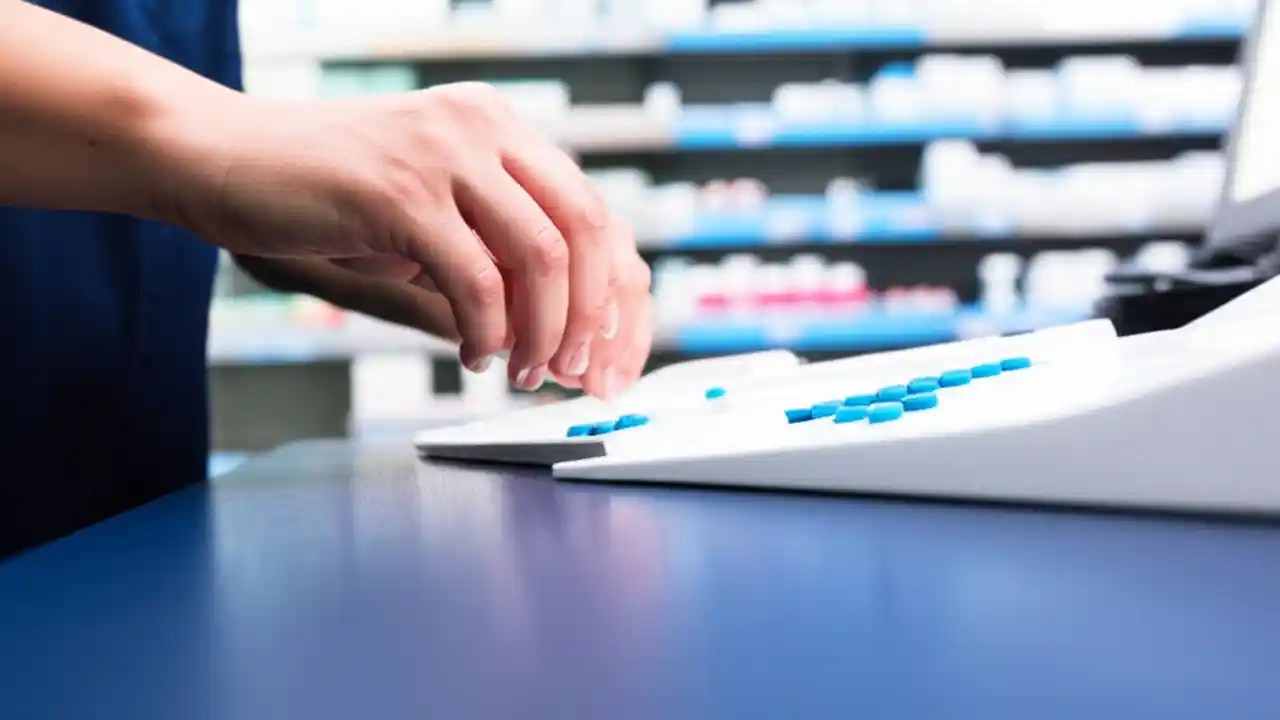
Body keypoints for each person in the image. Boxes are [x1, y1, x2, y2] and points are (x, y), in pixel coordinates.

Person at [0, 0, 653, 556]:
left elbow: (210, 192)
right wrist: (231, 143)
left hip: (128, 524)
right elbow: (199, 153)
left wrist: (463, 254)